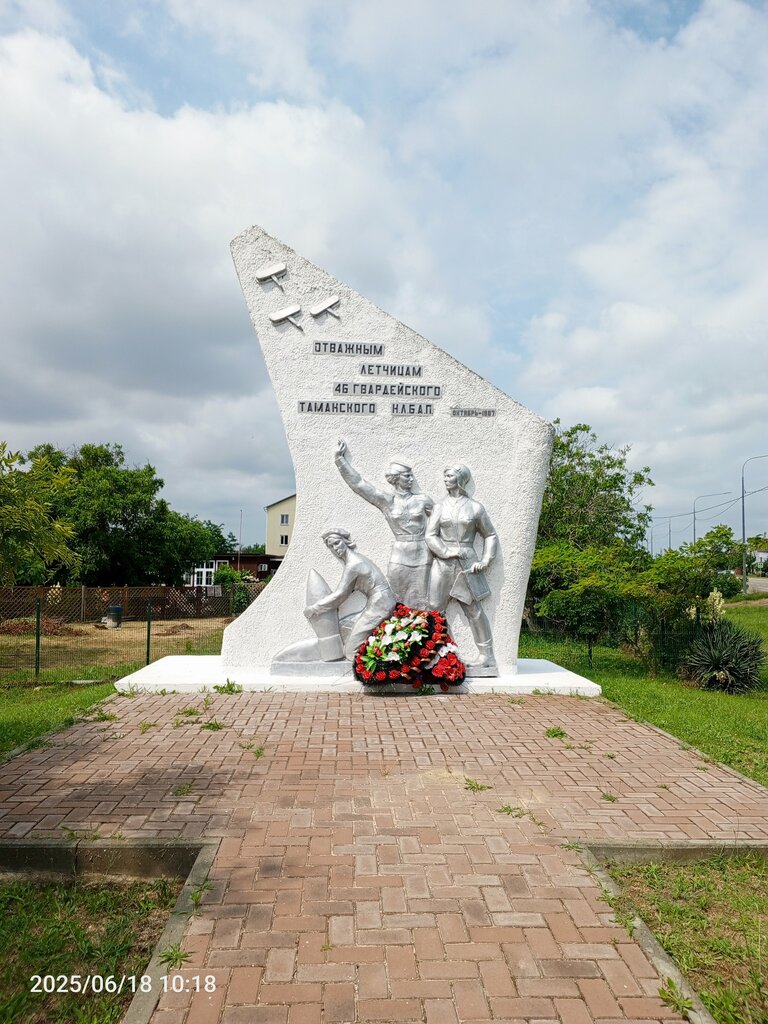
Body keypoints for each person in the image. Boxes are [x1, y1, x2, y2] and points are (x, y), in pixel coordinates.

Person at [334, 439, 433, 608]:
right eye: (407, 476)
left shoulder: (423, 500)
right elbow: (359, 484)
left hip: (422, 554)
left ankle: (426, 633)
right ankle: (396, 632)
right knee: (397, 599)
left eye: (411, 476)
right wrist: (340, 461)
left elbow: (442, 523)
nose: (411, 480)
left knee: (421, 600)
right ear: (396, 479)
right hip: (399, 554)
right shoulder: (387, 501)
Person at [426, 464, 498, 671]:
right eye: (445, 476)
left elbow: (490, 535)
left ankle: (487, 655)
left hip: (467, 564)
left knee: (474, 610)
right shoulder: (439, 507)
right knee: (435, 610)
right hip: (442, 564)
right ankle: (438, 654)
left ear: (460, 479)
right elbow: (430, 535)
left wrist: (485, 560)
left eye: (449, 476)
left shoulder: (475, 507)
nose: (445, 479)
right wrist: (446, 551)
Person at [305, 528, 395, 661]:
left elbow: (340, 595)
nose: (335, 548)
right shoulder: (355, 561)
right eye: (331, 546)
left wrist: (315, 608)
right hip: (378, 601)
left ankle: (385, 666)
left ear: (345, 541)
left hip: (381, 603)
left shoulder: (354, 564)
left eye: (337, 543)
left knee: (350, 651)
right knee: (345, 625)